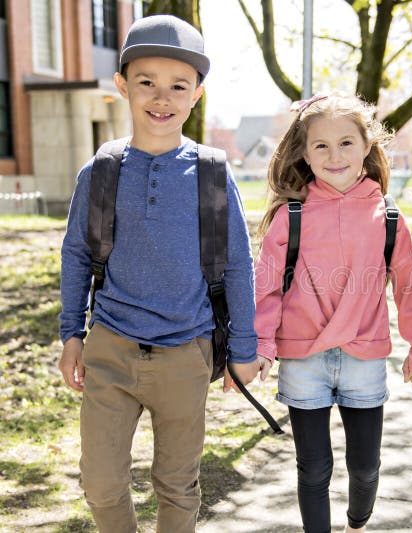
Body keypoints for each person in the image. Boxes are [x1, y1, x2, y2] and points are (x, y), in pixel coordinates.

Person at [58, 15, 264, 533]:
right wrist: (71, 333)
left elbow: (238, 263)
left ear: (197, 95)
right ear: (122, 85)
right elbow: (76, 254)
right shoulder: (100, 171)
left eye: (178, 86)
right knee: (100, 483)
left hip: (186, 352)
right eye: (147, 81)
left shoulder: (212, 173)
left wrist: (243, 348)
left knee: (177, 484)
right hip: (110, 346)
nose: (162, 97)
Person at [253, 92, 412, 533]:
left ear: (367, 146)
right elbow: (266, 287)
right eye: (321, 145)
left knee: (365, 467)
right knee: (313, 468)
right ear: (305, 153)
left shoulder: (387, 216)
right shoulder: (291, 215)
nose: (334, 156)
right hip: (303, 359)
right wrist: (259, 345)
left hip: (364, 358)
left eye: (346, 143)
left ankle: (357, 525)